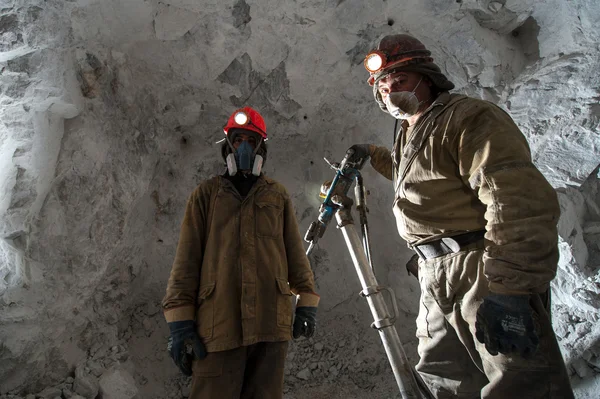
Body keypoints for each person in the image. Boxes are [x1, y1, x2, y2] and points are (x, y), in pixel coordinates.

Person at [327, 34, 574, 398]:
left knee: (517, 380)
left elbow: (515, 199)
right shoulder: (412, 132)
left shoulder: (468, 117)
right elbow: (419, 175)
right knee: (443, 377)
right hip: (434, 275)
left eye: (401, 80)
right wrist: (370, 153)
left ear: (426, 78)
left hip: (481, 268)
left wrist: (511, 290)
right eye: (383, 86)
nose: (391, 91)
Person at [162, 106, 319, 398]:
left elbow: (295, 254)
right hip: (220, 325)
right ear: (227, 147)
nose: (243, 147)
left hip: (270, 325)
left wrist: (306, 301)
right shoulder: (206, 195)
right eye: (237, 140)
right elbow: (186, 261)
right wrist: (180, 324)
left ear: (261, 148)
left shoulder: (277, 195)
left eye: (250, 140)